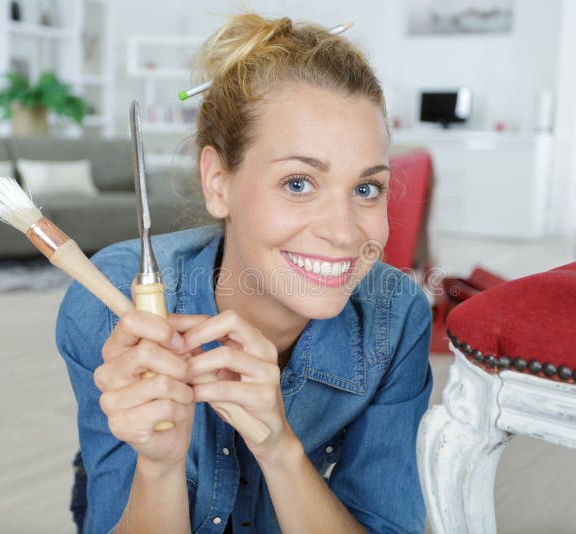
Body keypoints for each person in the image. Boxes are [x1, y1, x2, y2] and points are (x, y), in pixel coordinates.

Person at [56, 13, 432, 534]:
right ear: (218, 182)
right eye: (299, 183)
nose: (345, 234)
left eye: (366, 188)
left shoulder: (396, 318)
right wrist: (159, 467)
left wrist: (279, 449)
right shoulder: (114, 297)